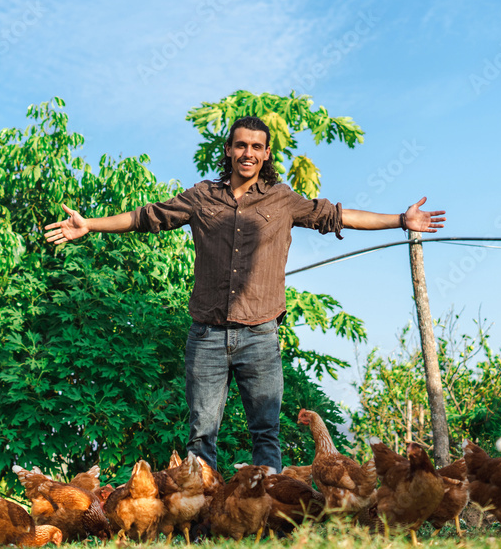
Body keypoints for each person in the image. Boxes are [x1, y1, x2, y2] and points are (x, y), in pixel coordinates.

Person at [44, 116, 445, 472]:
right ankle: (201, 527)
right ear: (229, 150)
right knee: (201, 435)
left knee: (266, 433)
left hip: (260, 336)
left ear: (266, 153)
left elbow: (338, 216)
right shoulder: (202, 197)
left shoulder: (282, 199)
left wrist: (400, 220)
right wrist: (90, 224)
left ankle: (268, 522)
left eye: (256, 146)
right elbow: (146, 217)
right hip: (206, 337)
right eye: (240, 145)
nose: (248, 153)